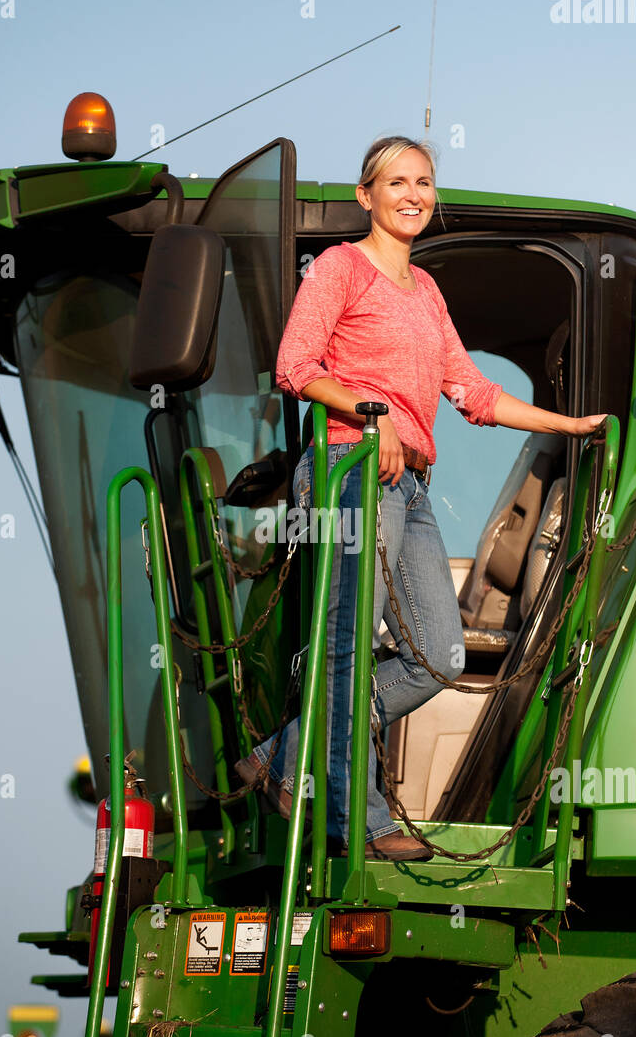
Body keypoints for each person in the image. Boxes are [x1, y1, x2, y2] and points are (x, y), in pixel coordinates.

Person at [237, 135, 606, 860]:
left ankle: (283, 755)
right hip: (351, 471)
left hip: (409, 483)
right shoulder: (341, 268)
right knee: (347, 644)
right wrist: (370, 418)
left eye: (424, 182)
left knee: (436, 651)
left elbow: (470, 390)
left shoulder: (425, 290)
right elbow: (294, 365)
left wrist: (567, 425)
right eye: (396, 181)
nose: (412, 194)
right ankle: (364, 821)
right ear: (364, 196)